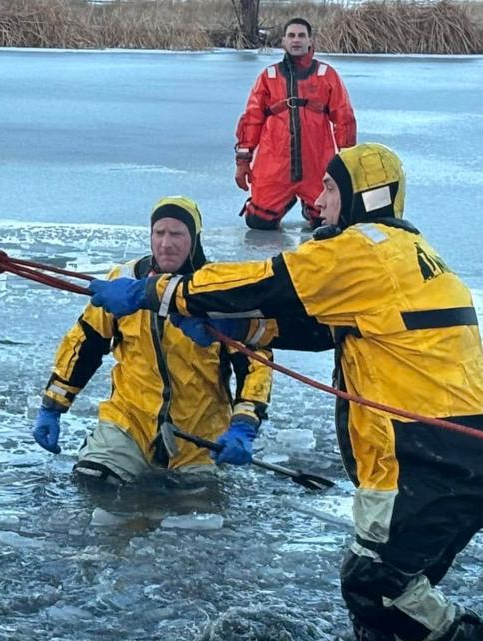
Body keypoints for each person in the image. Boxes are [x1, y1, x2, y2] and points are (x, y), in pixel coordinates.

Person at [89, 143, 483, 641]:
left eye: (331, 188)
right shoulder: (409, 254)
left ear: (363, 196)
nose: (318, 201)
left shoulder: (362, 249)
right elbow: (322, 330)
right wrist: (244, 333)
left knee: (376, 587)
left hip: (424, 454)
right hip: (450, 448)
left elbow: (268, 282)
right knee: (388, 591)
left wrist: (159, 292)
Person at [31, 196, 273, 485]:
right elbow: (86, 344)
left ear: (194, 239)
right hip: (129, 423)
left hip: (198, 436)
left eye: (176, 234)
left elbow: (255, 365)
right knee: (93, 481)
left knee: (196, 507)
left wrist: (243, 425)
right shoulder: (123, 282)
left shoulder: (217, 289)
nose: (166, 243)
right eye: (159, 233)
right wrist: (53, 407)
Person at [235, 17, 356, 231]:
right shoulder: (268, 77)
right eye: (291, 35)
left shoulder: (326, 75)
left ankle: (310, 207)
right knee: (258, 222)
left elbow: (344, 118)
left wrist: (348, 161)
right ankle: (286, 200)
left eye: (301, 35)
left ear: (310, 41)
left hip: (317, 165)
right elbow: (251, 120)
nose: (296, 40)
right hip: (275, 166)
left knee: (327, 223)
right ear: (283, 41)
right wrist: (243, 161)